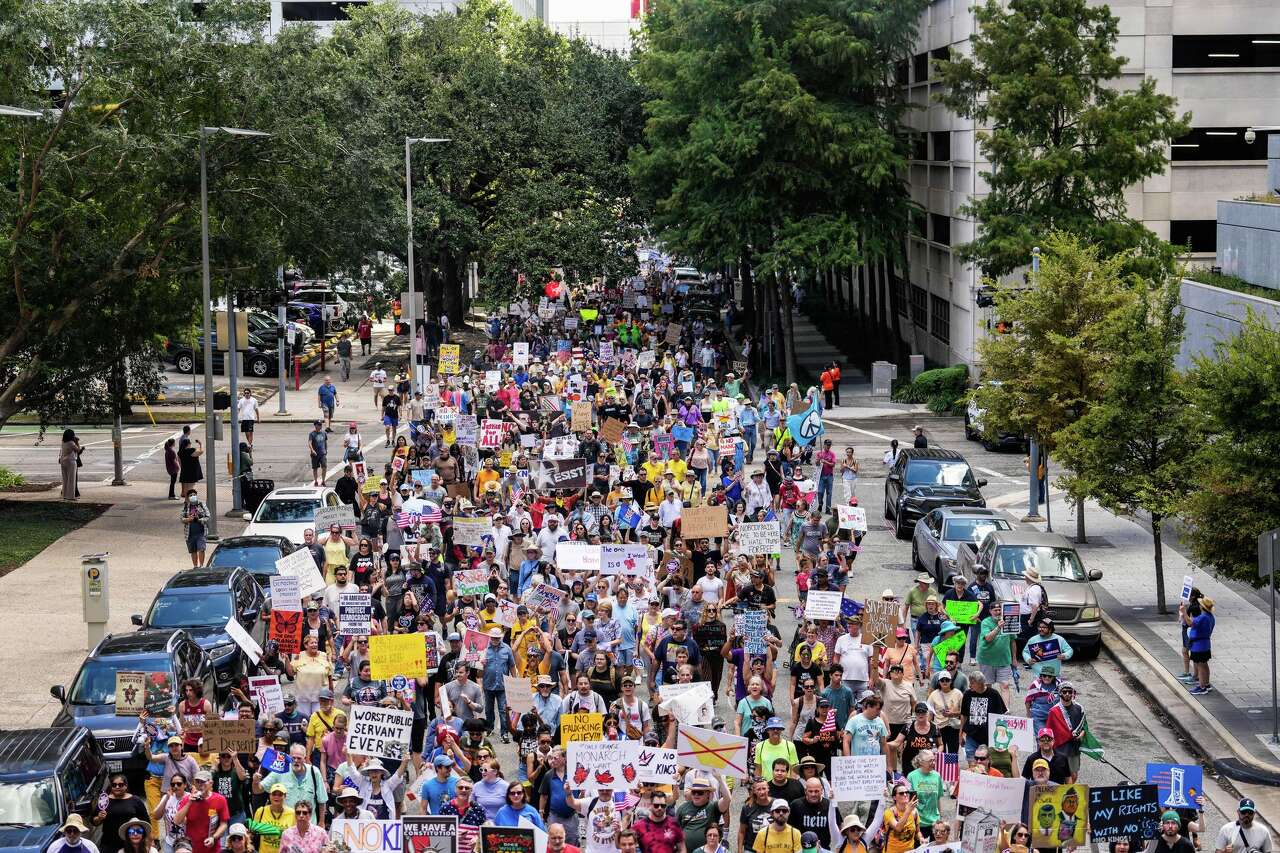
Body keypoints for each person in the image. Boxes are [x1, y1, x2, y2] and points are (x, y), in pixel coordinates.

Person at [92, 773, 149, 853]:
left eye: (120, 784)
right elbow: (94, 822)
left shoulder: (135, 800)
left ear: (126, 786)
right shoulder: (104, 801)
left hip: (130, 845)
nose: (117, 787)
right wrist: (99, 818)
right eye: (114, 785)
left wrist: (148, 842)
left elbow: (146, 822)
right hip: (109, 845)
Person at [175, 770, 229, 853]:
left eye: (203, 781)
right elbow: (177, 821)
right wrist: (189, 802)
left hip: (212, 848)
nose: (200, 784)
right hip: (192, 848)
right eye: (197, 781)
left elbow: (224, 824)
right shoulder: (187, 799)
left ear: (211, 783)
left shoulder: (220, 799)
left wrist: (213, 837)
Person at [1184, 596, 1215, 695]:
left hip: (1198, 645)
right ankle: (1206, 684)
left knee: (1200, 666)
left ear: (1202, 607)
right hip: (1205, 644)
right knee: (1204, 665)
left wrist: (1184, 612)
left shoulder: (1202, 617)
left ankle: (1202, 687)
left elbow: (1190, 623)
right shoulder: (1210, 617)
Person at [181, 490, 210, 568]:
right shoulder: (186, 506)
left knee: (201, 549)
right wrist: (188, 519)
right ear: (188, 497)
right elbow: (181, 518)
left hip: (201, 532)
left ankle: (201, 566)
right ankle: (195, 566)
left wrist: (199, 519)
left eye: (194, 495)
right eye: (191, 495)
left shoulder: (201, 504)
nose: (193, 496)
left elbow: (207, 516)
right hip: (190, 533)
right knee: (193, 551)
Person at [177, 427, 203, 496]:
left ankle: (185, 497)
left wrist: (181, 465)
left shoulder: (180, 452)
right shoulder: (190, 450)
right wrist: (200, 444)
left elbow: (179, 458)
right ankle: (189, 501)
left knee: (186, 486)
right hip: (191, 471)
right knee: (191, 488)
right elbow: (200, 452)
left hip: (185, 468)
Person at [59, 428, 82, 501]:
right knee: (71, 479)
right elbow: (78, 450)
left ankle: (64, 495)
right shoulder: (71, 443)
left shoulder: (63, 442)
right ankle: (71, 496)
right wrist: (77, 442)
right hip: (71, 461)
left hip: (63, 461)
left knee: (65, 479)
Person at [308, 420, 328, 486]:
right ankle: (316, 481)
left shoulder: (324, 433)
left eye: (321, 425)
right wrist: (312, 450)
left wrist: (326, 450)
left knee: (324, 467)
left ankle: (323, 481)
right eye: (319, 425)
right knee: (315, 468)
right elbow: (309, 443)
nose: (320, 426)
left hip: (322, 453)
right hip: (315, 454)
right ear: (315, 425)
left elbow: (325, 442)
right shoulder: (312, 434)